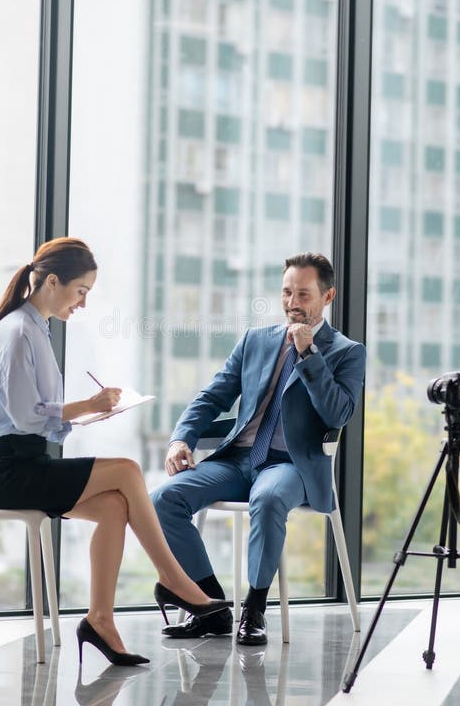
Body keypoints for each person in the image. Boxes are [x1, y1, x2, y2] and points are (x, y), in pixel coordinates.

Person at [0, 237, 228, 666]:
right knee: (127, 471)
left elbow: (36, 418)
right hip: (3, 471)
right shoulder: (16, 332)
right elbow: (26, 416)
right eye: (81, 291)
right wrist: (87, 406)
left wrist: (83, 416)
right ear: (53, 281)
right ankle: (174, 581)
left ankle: (100, 620)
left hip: (27, 462)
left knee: (112, 507)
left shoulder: (35, 328)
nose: (83, 304)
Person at [151, 252, 365, 645]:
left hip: (290, 465)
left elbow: (339, 413)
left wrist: (309, 356)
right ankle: (209, 604)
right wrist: (182, 438)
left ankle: (255, 609)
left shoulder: (346, 352)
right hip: (238, 460)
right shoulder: (255, 340)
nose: (292, 303)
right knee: (163, 499)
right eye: (286, 292)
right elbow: (212, 396)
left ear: (327, 296)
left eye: (303, 293)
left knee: (266, 500)